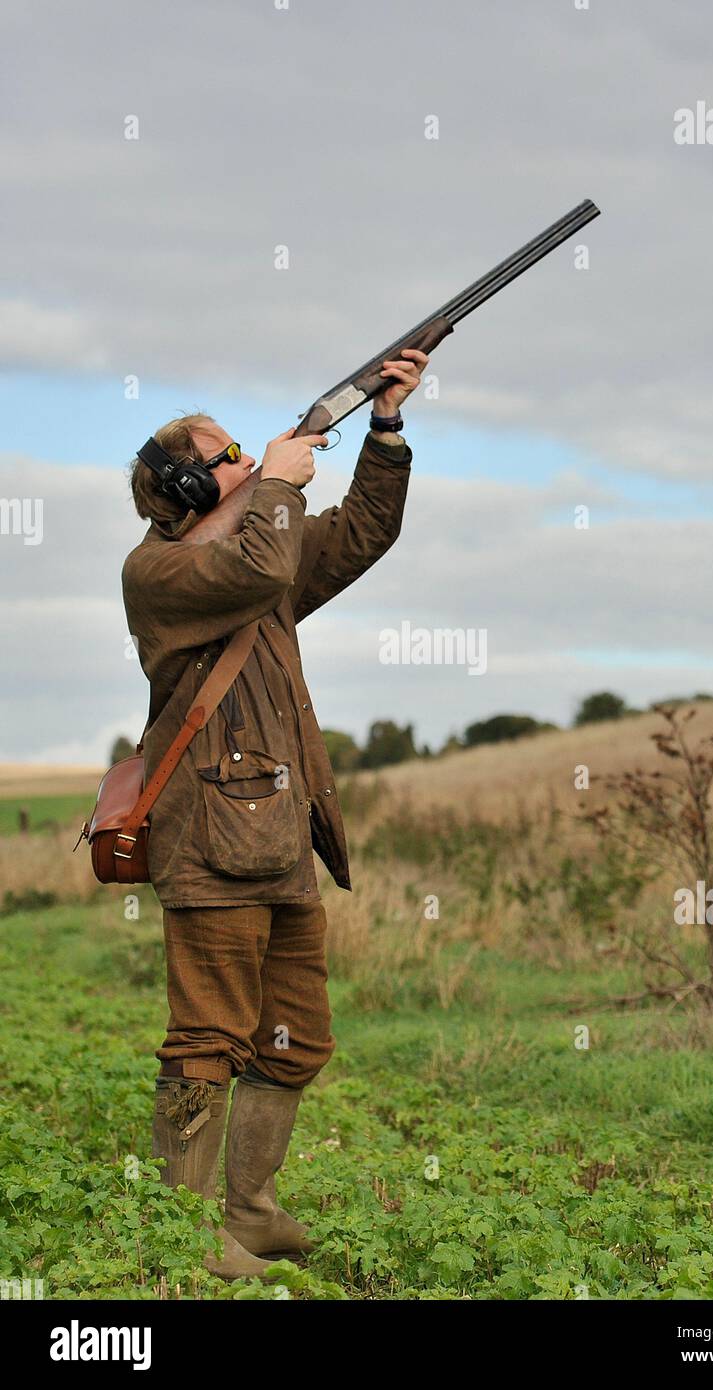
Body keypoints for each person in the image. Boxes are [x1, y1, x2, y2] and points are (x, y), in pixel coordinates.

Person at [121, 349, 428, 1279]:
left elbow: (364, 533)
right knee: (206, 1039)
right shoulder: (160, 571)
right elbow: (258, 568)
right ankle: (184, 1238)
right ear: (181, 484)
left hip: (285, 836)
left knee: (297, 1035)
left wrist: (382, 428)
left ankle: (249, 1211)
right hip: (210, 840)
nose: (250, 461)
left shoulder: (263, 548)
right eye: (228, 457)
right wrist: (284, 483)